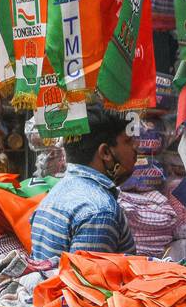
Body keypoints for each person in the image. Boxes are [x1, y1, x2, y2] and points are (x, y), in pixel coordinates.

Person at [29, 105, 137, 261]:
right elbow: (88, 282)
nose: (135, 147)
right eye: (127, 141)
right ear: (105, 152)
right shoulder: (100, 211)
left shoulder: (57, 191)